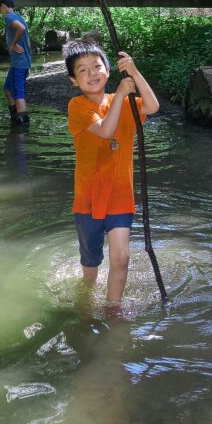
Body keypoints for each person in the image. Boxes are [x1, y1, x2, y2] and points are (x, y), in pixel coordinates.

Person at [63, 40, 160, 308]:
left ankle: (113, 307)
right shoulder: (78, 107)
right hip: (89, 200)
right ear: (73, 80)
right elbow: (106, 131)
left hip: (120, 196)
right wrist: (120, 94)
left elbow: (152, 107)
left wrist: (135, 73)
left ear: (107, 69)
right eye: (82, 70)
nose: (92, 74)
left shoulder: (126, 102)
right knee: (91, 264)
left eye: (97, 66)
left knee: (121, 257)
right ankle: (86, 302)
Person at [0, 0, 32, 126]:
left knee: (18, 93)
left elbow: (21, 29)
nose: (0, 12)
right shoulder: (20, 17)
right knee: (7, 88)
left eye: (0, 9)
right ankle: (14, 115)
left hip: (19, 63)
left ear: (4, 6)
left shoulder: (9, 16)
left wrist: (12, 44)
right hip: (21, 62)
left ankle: (23, 123)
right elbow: (27, 40)